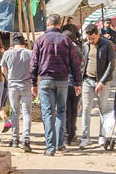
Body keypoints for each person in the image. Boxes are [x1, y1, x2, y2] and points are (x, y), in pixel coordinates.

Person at [29, 15, 82, 156]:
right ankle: (59, 144)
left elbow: (33, 63)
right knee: (61, 112)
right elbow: (75, 64)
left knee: (48, 113)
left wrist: (33, 83)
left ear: (48, 24)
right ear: (59, 25)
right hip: (63, 81)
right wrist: (77, 83)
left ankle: (50, 147)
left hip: (46, 80)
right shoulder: (67, 41)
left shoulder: (40, 40)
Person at [79, 21, 116, 149]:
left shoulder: (108, 45)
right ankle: (85, 137)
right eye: (89, 39)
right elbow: (83, 63)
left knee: (103, 109)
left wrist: (102, 82)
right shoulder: (85, 45)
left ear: (97, 34)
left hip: (103, 82)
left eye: (93, 38)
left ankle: (102, 136)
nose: (91, 41)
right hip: (87, 80)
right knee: (86, 108)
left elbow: (111, 65)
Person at [0, 32, 33, 149]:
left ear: (13, 44)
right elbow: (34, 69)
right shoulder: (30, 53)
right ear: (23, 43)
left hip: (12, 86)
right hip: (26, 86)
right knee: (26, 113)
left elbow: (3, 71)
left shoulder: (7, 54)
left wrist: (9, 77)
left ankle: (14, 140)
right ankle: (26, 139)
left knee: (14, 112)